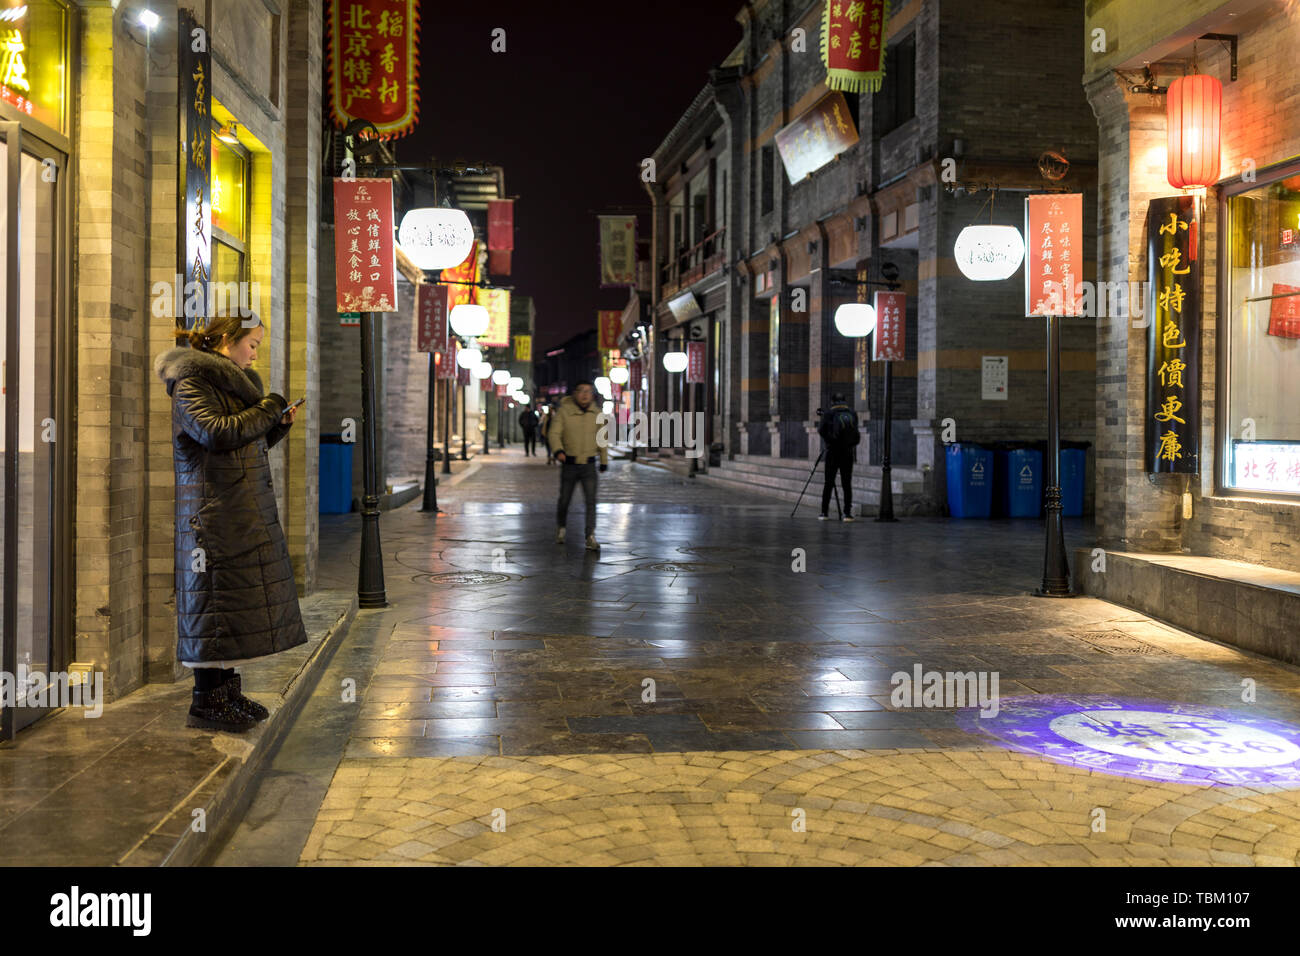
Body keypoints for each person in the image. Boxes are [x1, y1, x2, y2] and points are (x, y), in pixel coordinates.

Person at [155, 314, 307, 733]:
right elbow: (216, 433)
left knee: (232, 608)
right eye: (252, 344)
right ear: (225, 341)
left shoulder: (232, 386)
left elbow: (240, 445)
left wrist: (274, 427)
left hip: (235, 511)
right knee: (212, 606)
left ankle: (227, 692)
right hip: (211, 515)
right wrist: (270, 407)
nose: (255, 352)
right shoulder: (192, 382)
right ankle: (205, 703)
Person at [548, 381, 608, 550]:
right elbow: (554, 433)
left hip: (589, 465)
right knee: (565, 499)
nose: (584, 394)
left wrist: (604, 460)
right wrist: (558, 451)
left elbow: (602, 439)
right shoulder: (564, 412)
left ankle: (590, 535)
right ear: (574, 393)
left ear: (592, 394)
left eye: (588, 391)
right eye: (581, 390)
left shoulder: (597, 413)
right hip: (570, 463)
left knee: (591, 501)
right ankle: (561, 527)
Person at [817, 392, 860, 522]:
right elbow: (855, 433)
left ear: (832, 401)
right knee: (847, 483)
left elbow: (821, 430)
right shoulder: (852, 413)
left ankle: (824, 512)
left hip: (833, 452)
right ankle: (847, 513)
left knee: (829, 482)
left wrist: (830, 441)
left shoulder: (829, 414)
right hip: (848, 452)